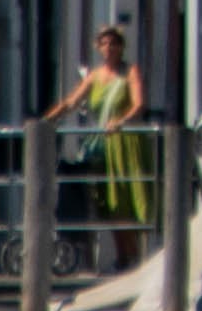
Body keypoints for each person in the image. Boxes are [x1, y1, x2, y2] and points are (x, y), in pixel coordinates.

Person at [53, 24, 153, 254]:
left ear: (121, 47)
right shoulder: (95, 76)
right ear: (98, 47)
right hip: (101, 145)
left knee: (125, 203)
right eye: (105, 43)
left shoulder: (130, 72)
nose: (109, 48)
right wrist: (46, 121)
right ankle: (124, 258)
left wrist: (121, 121)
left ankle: (132, 258)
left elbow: (139, 104)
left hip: (124, 144)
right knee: (106, 203)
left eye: (114, 43)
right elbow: (71, 102)